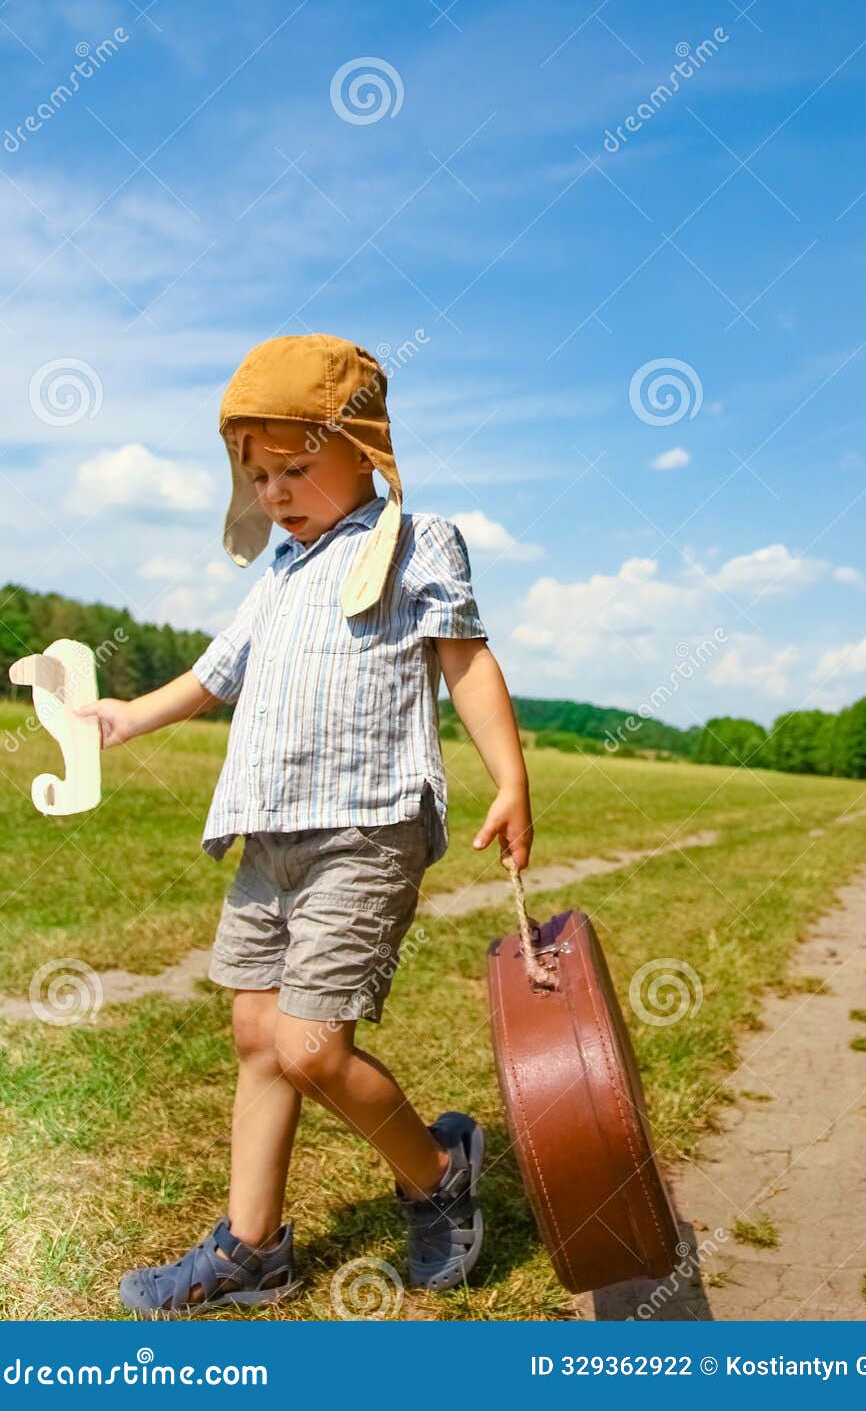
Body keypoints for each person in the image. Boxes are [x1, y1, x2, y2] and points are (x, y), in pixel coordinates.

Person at [76, 333, 533, 1317]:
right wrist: (127, 715)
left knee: (313, 1046)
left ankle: (437, 1167)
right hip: (269, 834)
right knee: (255, 1034)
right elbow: (214, 673)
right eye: (258, 475)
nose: (276, 493)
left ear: (362, 446)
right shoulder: (279, 572)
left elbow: (465, 661)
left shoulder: (413, 540)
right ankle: (251, 1249)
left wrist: (511, 774)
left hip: (365, 828)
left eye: (295, 468)